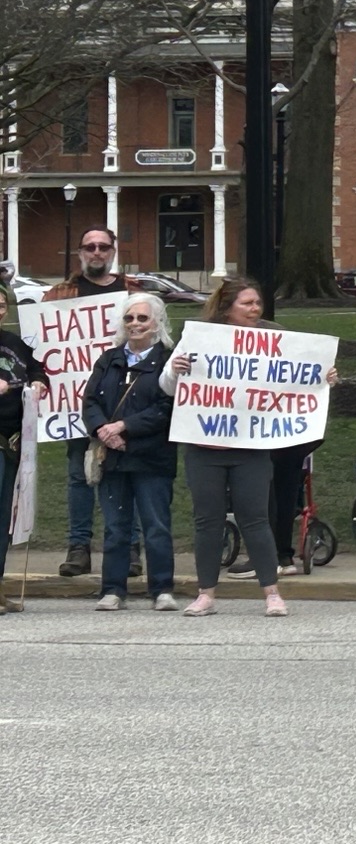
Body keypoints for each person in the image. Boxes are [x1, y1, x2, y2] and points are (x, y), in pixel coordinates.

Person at [171, 279, 290, 617]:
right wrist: (175, 370)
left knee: (255, 518)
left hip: (250, 445)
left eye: (257, 303)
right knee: (206, 521)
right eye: (247, 303)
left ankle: (272, 593)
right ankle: (205, 593)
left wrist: (322, 377)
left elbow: (292, 377)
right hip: (204, 445)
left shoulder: (274, 335)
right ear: (227, 307)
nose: (255, 309)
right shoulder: (199, 337)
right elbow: (169, 385)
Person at [46, 227, 136, 580]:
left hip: (125, 403)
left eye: (103, 246)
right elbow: (45, 347)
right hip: (77, 405)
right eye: (89, 247)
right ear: (80, 253)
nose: (96, 252)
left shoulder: (133, 293)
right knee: (78, 477)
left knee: (130, 477)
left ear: (113, 251)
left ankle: (129, 549)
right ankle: (78, 548)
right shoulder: (59, 295)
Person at [82, 293, 178, 612]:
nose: (135, 324)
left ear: (157, 323)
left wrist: (124, 426)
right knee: (116, 527)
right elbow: (91, 401)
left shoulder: (168, 361)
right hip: (113, 458)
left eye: (142, 318)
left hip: (152, 458)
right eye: (129, 318)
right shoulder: (109, 359)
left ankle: (162, 588)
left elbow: (167, 408)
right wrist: (103, 431)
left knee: (156, 525)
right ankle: (112, 589)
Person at [0, 294, 48, 608]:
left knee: (4, 519)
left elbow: (35, 369)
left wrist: (40, 382)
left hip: (12, 443)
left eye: (1, 305)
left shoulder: (13, 342)